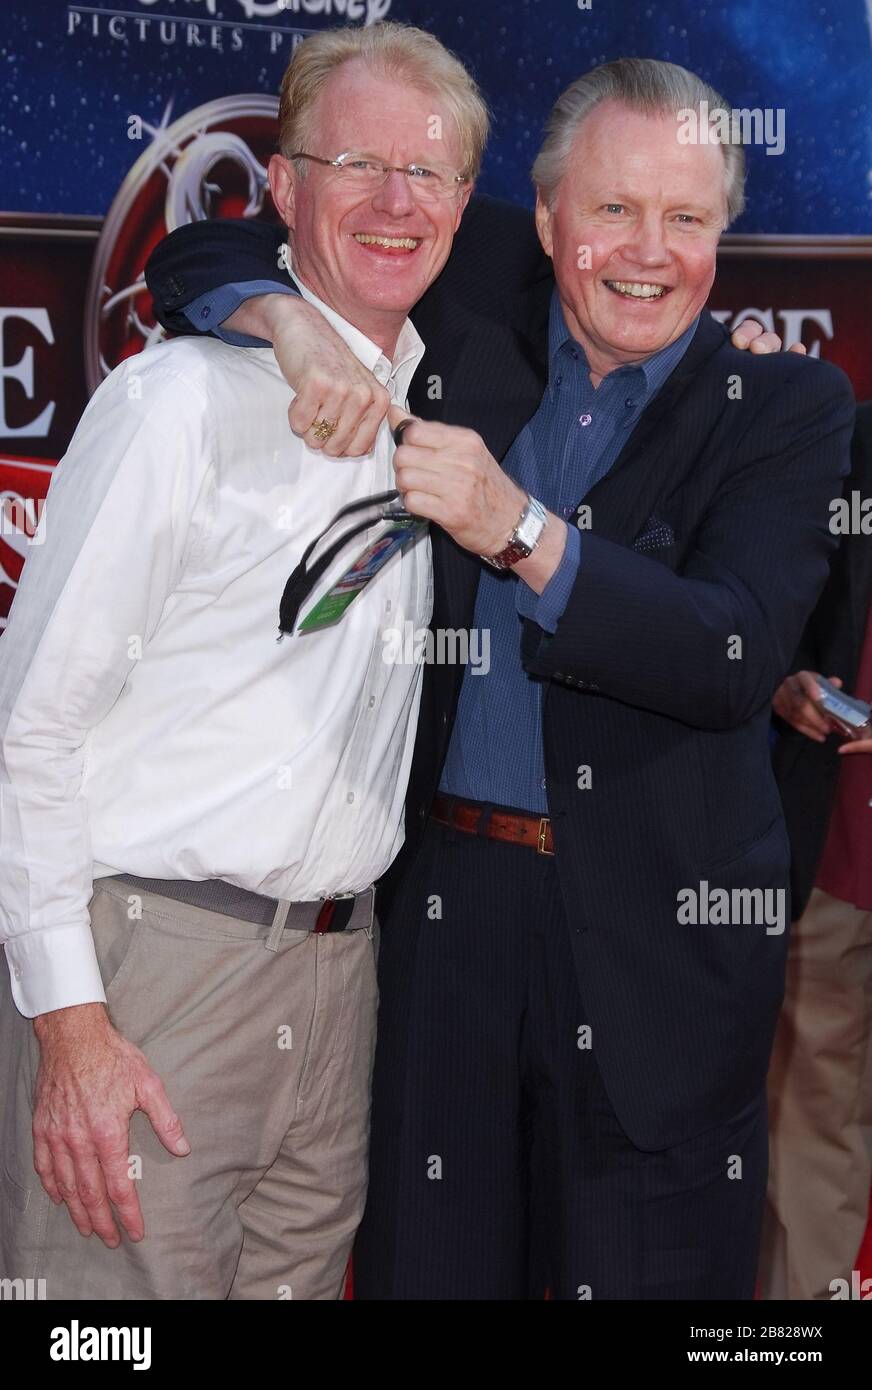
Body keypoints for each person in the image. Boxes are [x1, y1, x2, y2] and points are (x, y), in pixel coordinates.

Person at [147, 57, 852, 1299]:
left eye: (685, 218)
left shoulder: (783, 407)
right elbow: (203, 255)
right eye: (612, 209)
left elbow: (727, 651)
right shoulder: (462, 302)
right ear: (539, 218)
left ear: (722, 233)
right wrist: (295, 327)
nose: (647, 250)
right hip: (441, 925)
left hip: (659, 960)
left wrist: (518, 529)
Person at [0, 22, 486, 1300]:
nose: (395, 202)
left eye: (427, 174)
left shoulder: (441, 406)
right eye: (355, 165)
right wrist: (71, 1021)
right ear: (282, 186)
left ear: (464, 203)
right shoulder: (176, 406)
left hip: (338, 983)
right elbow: (28, 725)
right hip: (152, 975)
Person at [761, 401, 872, 1300]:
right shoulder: (839, 435)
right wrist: (786, 680)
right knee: (809, 1127)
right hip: (835, 853)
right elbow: (761, 601)